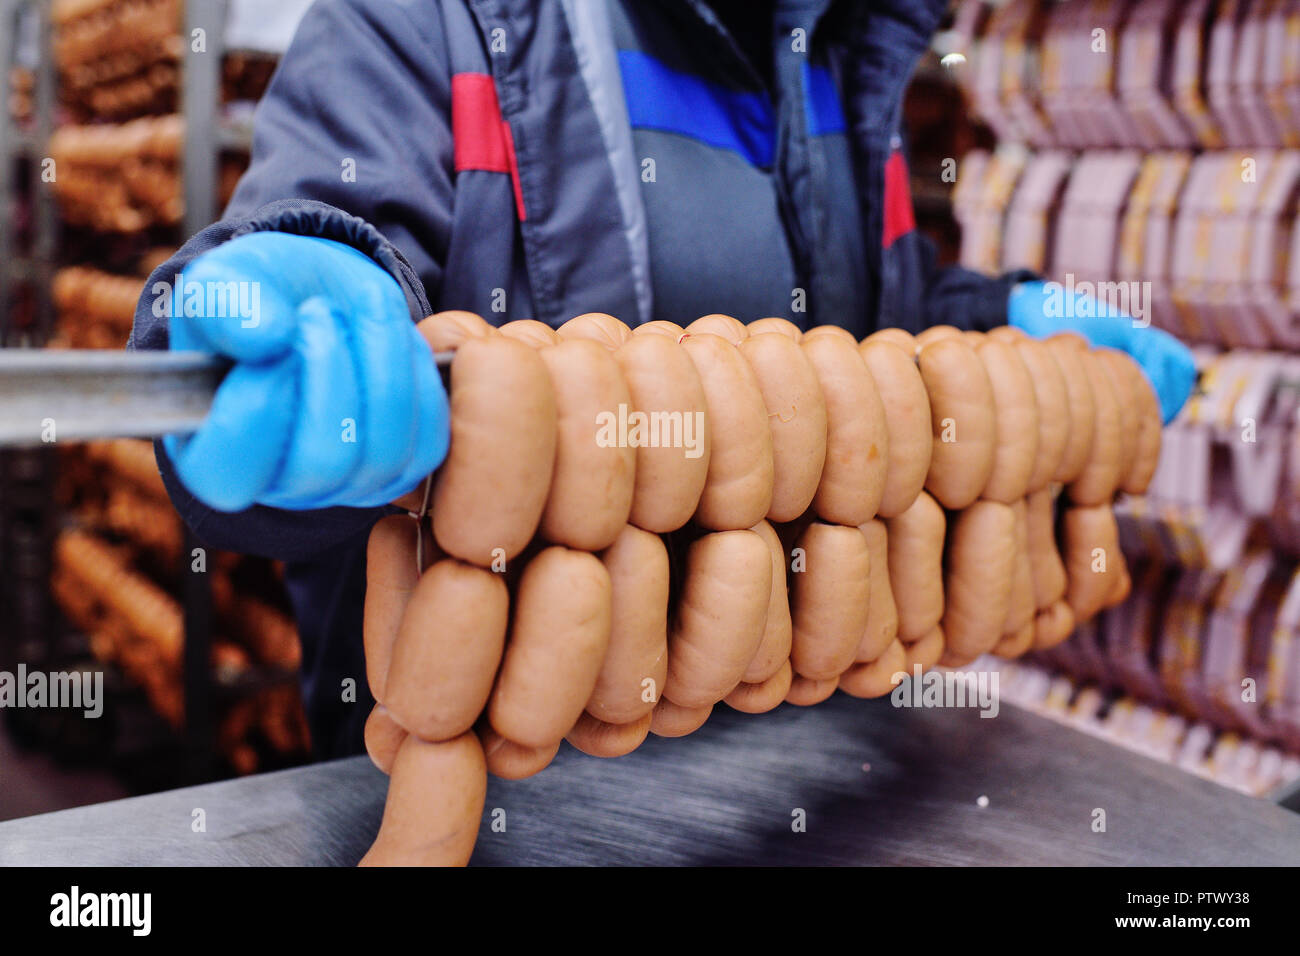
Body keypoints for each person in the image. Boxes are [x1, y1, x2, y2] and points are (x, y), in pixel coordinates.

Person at [129, 0, 1195, 758]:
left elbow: (856, 356)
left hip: (802, 760)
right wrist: (282, 316)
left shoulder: (846, 51)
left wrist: (989, 319)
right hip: (481, 775)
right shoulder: (422, 21)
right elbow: (303, 300)